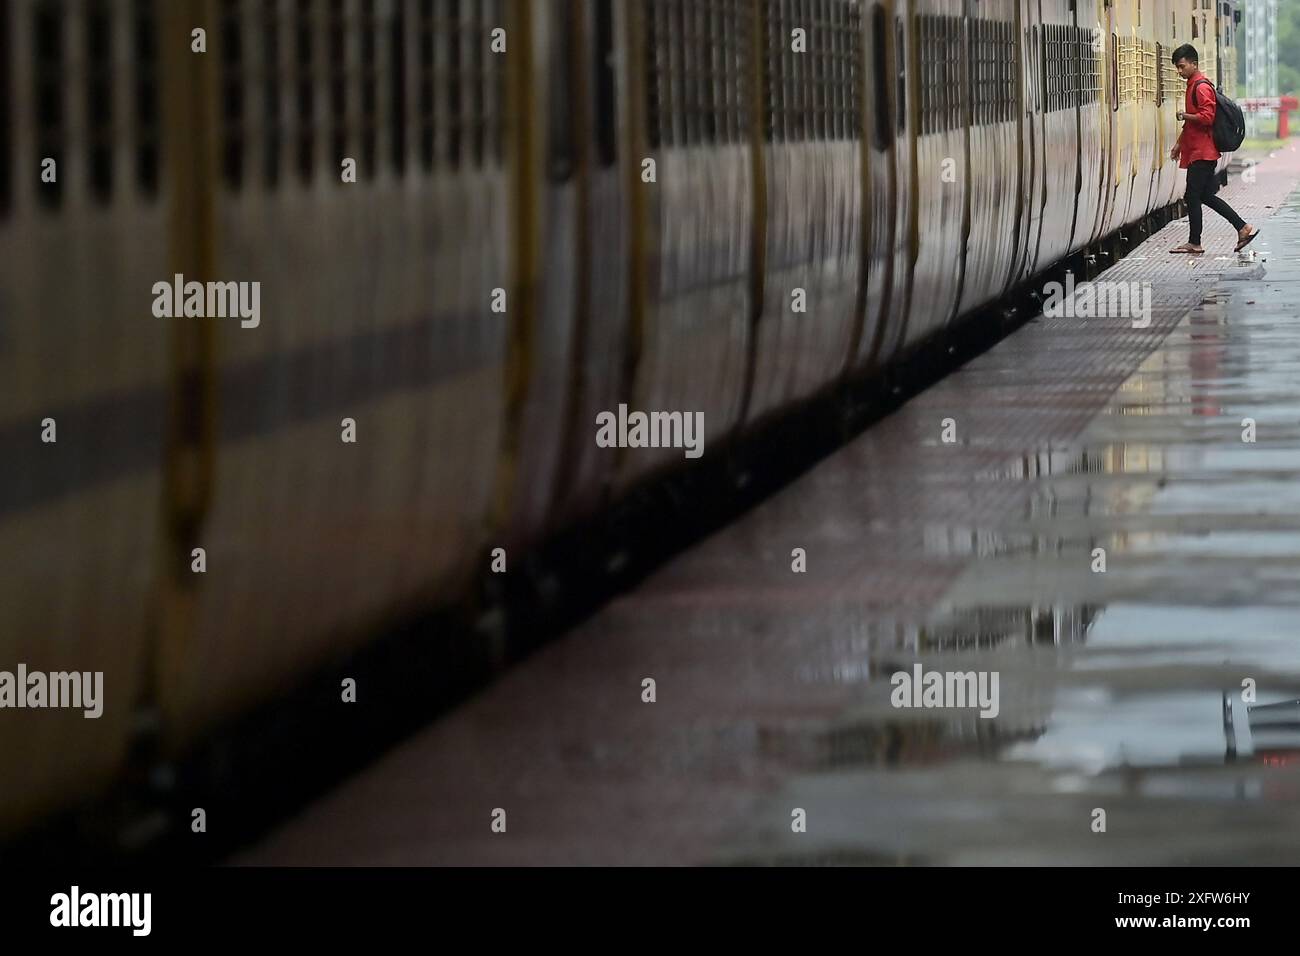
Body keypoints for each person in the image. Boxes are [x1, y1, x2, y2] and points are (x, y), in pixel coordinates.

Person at [1168, 44, 1259, 255]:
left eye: (1182, 67)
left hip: (1203, 152)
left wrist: (1184, 115)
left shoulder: (1200, 87)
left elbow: (1206, 118)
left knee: (1193, 195)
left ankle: (1195, 242)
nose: (1180, 72)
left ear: (1194, 64)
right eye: (1178, 68)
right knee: (1205, 196)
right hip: (1198, 151)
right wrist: (1179, 145)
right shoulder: (1193, 85)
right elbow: (1192, 124)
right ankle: (1242, 227)